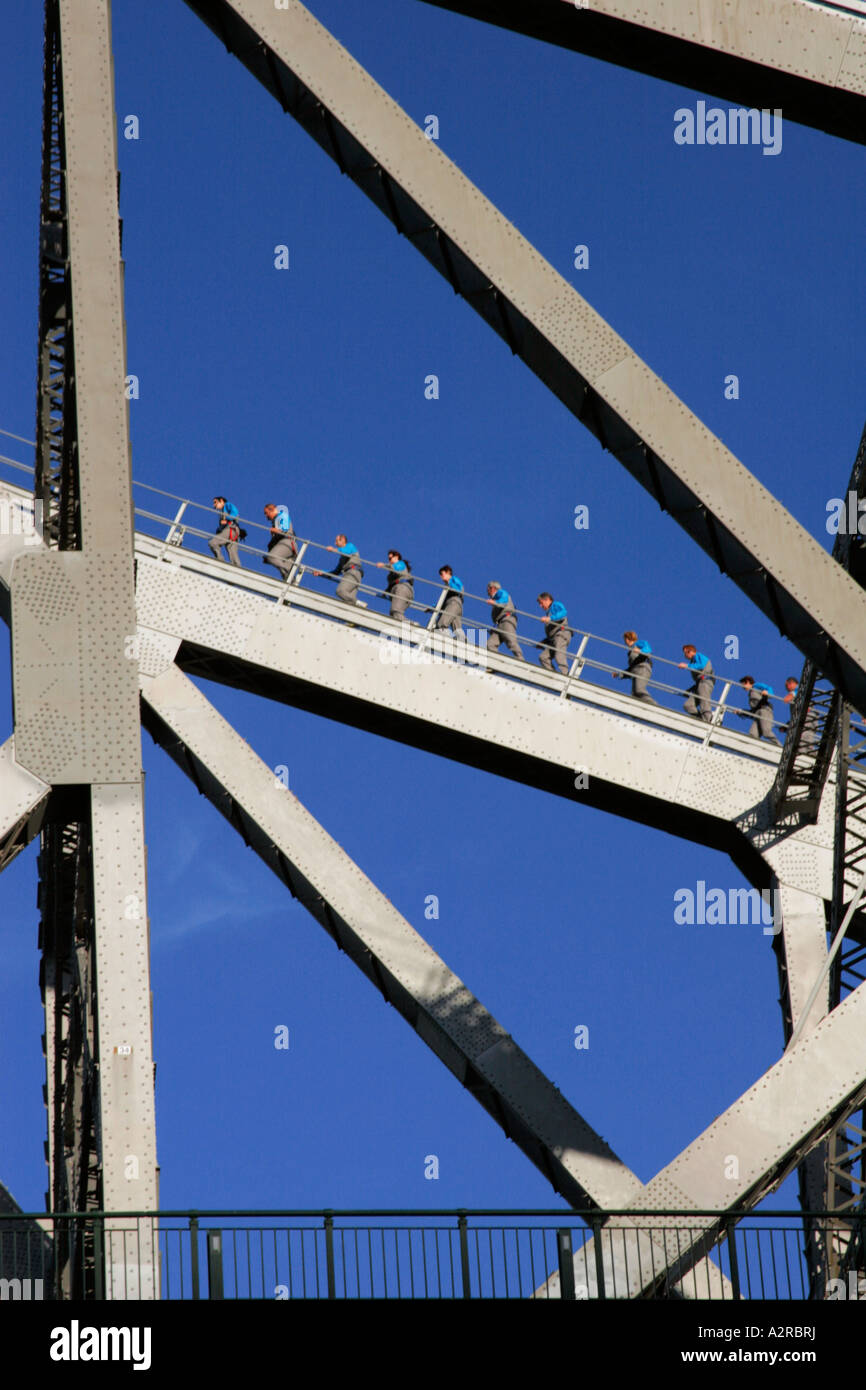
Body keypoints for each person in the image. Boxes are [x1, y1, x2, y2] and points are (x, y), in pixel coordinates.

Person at [314, 534, 364, 604]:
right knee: (348, 601)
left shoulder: (350, 546)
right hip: (353, 574)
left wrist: (333, 550)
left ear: (343, 539)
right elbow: (336, 572)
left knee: (340, 591)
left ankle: (358, 603)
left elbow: (346, 551)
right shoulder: (342, 559)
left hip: (353, 572)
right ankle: (358, 605)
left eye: (336, 541)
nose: (335, 543)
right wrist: (322, 573)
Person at [486, 582, 524, 660]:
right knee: (490, 644)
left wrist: (494, 602)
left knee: (510, 640)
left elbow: (504, 601)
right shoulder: (496, 598)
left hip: (507, 620)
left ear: (493, 588)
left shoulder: (500, 593)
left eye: (488, 589)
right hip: (500, 624)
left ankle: (520, 659)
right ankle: (494, 663)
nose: (487, 592)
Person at [616, 630, 656, 703]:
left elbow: (647, 647)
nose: (625, 642)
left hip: (642, 668)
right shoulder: (631, 651)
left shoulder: (637, 644)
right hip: (635, 671)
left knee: (639, 690)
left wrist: (641, 651)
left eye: (625, 639)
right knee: (634, 694)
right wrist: (619, 674)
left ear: (628, 639)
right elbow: (632, 667)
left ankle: (653, 706)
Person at [536, 592, 571, 675]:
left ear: (547, 599)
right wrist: (543, 642)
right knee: (543, 657)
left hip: (561, 633)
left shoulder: (555, 605)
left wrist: (550, 618)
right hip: (553, 639)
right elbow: (552, 633)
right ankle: (553, 675)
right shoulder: (549, 612)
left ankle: (566, 675)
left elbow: (563, 613)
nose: (540, 606)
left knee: (559, 655)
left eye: (541, 603)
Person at [739, 676, 781, 745]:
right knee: (753, 734)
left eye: (743, 684)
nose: (743, 687)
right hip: (757, 713)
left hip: (765, 711)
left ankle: (779, 746)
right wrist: (741, 712)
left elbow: (768, 688)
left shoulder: (756, 686)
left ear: (748, 682)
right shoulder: (750, 694)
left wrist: (767, 693)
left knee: (766, 732)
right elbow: (753, 711)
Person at [678, 645, 715, 723]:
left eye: (685, 653)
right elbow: (697, 680)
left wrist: (686, 665)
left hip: (705, 681)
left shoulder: (699, 656)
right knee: (688, 705)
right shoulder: (692, 662)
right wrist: (690, 690)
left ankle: (708, 719)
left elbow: (702, 666)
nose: (685, 655)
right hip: (699, 685)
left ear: (690, 651)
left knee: (704, 702)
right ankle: (700, 719)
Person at [262, 502, 297, 580]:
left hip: (287, 543)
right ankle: (291, 580)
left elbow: (285, 530)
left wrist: (277, 530)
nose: (266, 516)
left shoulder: (282, 516)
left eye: (266, 513)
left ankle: (290, 575)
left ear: (272, 510)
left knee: (272, 557)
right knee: (287, 577)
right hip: (289, 546)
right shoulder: (277, 520)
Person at [376, 550, 414, 620]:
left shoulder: (400, 564)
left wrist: (384, 565)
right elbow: (392, 584)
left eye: (390, 558)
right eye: (388, 559)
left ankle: (409, 626)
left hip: (402, 588)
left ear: (396, 557)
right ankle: (405, 626)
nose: (389, 560)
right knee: (394, 613)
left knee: (396, 611)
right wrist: (385, 592)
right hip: (400, 591)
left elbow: (396, 569)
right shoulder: (391, 574)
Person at [208, 495, 241, 567]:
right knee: (233, 554)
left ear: (222, 501)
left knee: (213, 543)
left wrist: (227, 520)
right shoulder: (222, 512)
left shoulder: (227, 505)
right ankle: (237, 570)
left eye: (215, 502)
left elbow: (235, 512)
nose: (214, 505)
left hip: (231, 529)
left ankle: (220, 562)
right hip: (233, 531)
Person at [436, 566, 465, 637]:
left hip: (454, 603)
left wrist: (449, 583)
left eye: (442, 574)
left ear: (448, 572)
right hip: (455, 604)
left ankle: (443, 634)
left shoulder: (453, 580)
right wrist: (434, 607)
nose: (441, 577)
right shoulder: (448, 585)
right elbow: (443, 601)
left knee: (442, 624)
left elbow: (459, 589)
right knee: (456, 626)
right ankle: (462, 639)